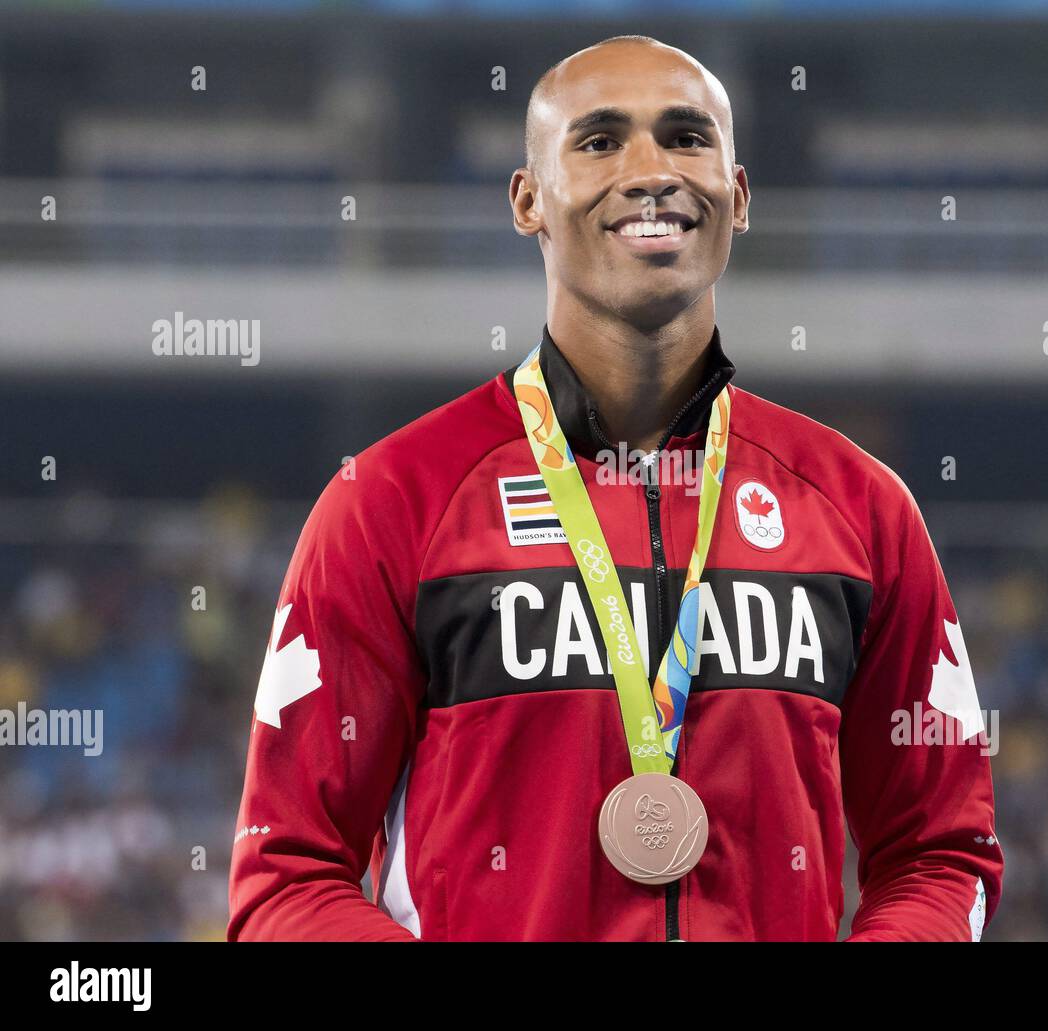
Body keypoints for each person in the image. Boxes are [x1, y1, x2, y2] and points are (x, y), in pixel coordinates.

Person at [228, 34, 1003, 942]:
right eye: (599, 142)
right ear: (529, 202)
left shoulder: (862, 509)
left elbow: (942, 853)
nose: (652, 172)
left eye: (685, 137)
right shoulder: (392, 500)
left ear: (738, 195)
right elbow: (286, 876)